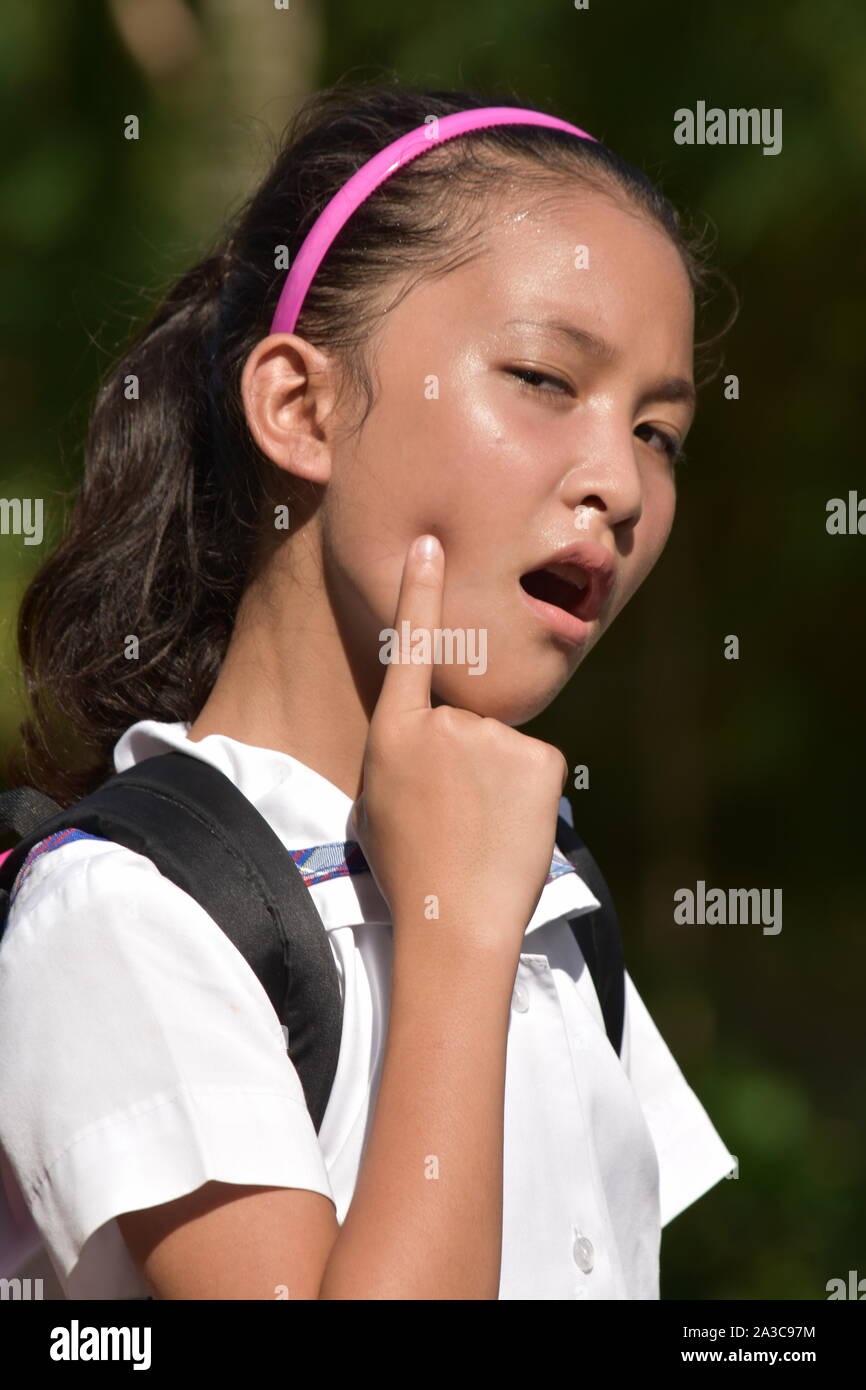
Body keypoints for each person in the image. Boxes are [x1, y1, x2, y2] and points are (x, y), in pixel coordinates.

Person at [0, 81, 735, 1300]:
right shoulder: (119, 914)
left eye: (658, 432)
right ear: (300, 406)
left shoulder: (547, 883)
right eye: (546, 380)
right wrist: (453, 933)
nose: (618, 480)